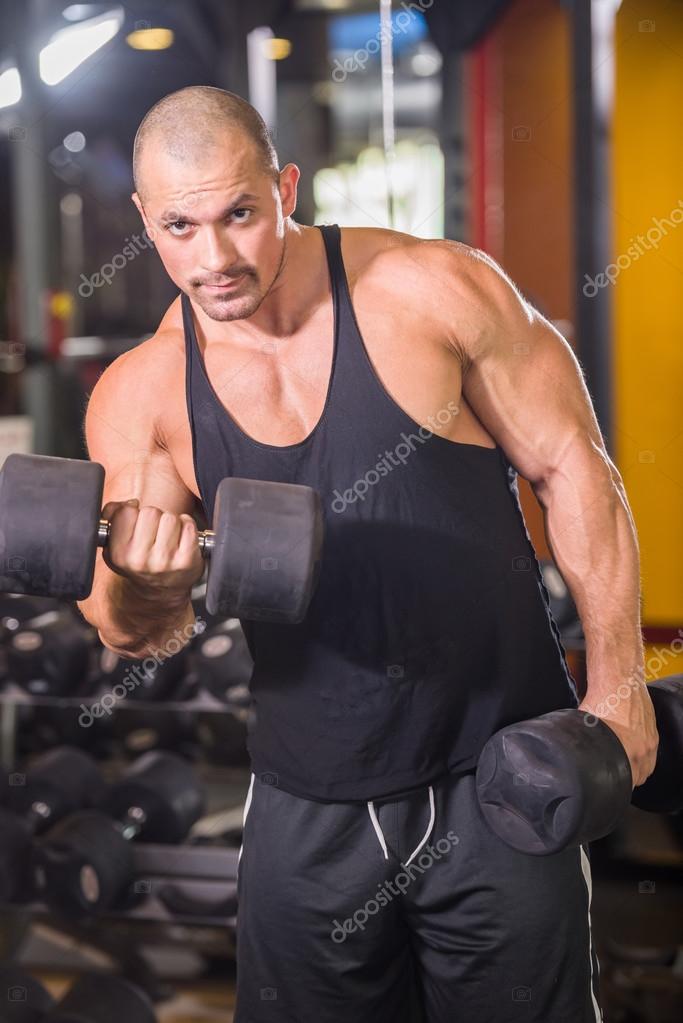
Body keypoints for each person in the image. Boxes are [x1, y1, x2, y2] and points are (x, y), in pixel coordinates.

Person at [78, 86, 658, 1022]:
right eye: (180, 226)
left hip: (497, 778)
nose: (215, 257)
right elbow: (129, 628)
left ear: (286, 187)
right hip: (307, 802)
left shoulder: (432, 289)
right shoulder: (141, 395)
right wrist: (147, 584)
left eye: (239, 213)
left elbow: (573, 468)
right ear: (145, 220)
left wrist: (619, 679)